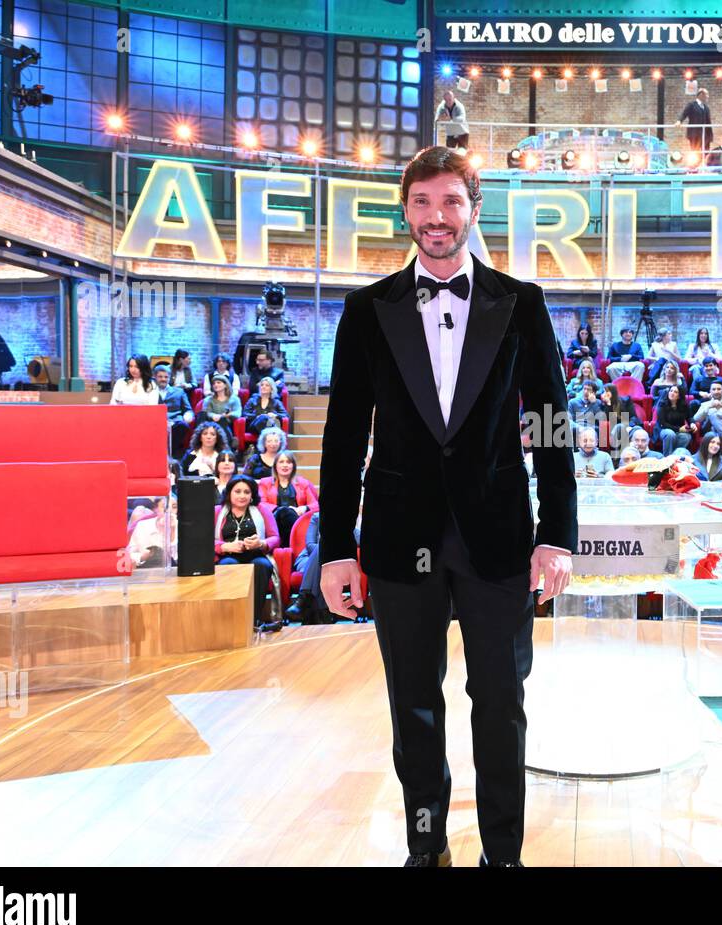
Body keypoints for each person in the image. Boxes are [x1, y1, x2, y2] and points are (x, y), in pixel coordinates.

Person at [318, 146, 575, 869]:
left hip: (498, 537)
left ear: (473, 209)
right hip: (400, 540)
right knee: (414, 711)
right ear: (406, 210)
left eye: (451, 202)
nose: (437, 218)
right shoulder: (367, 309)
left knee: (501, 706)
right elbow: (343, 437)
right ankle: (426, 851)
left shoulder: (521, 302)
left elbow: (551, 422)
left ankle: (504, 857)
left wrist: (556, 534)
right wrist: (337, 546)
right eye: (424, 202)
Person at [215, 475, 281, 628]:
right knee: (228, 565)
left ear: (252, 496)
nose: (242, 496)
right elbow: (204, 540)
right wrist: (224, 546)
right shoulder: (217, 511)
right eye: (237, 491)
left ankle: (253, 620)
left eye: (247, 492)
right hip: (228, 555)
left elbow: (275, 537)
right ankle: (230, 619)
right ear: (229, 493)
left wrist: (261, 543)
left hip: (256, 554)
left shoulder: (261, 510)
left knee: (261, 566)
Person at [257, 449, 318, 546]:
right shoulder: (265, 483)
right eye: (281, 462)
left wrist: (304, 508)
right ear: (275, 465)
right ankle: (296, 543)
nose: (285, 465)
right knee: (284, 512)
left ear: (293, 466)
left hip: (297, 517)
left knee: (288, 514)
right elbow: (261, 503)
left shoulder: (302, 483)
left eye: (288, 462)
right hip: (273, 519)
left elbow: (316, 505)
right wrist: (280, 509)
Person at [153, 363, 194, 458]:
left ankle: (170, 455)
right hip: (156, 422)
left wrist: (188, 416)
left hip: (175, 422)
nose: (163, 379)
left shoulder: (179, 392)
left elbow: (188, 410)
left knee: (182, 426)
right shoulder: (150, 392)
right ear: (154, 377)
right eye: (160, 377)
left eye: (166, 377)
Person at [197, 372, 241, 448]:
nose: (216, 385)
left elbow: (238, 413)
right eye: (214, 384)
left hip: (225, 422)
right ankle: (199, 444)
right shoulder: (209, 399)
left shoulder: (234, 399)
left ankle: (228, 446)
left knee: (222, 420)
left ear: (225, 385)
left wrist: (227, 415)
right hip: (210, 422)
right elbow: (206, 411)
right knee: (201, 414)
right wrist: (213, 415)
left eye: (218, 383)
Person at [691, 381, 722, 451]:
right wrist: (709, 407)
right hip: (707, 429)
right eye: (714, 389)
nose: (716, 391)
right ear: (710, 391)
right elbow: (696, 419)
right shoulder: (705, 404)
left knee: (714, 427)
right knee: (713, 415)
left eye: (719, 389)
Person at [657, 384, 700, 457]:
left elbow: (689, 417)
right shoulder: (662, 404)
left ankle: (676, 456)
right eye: (671, 391)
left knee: (686, 437)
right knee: (670, 434)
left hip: (678, 431)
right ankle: (667, 457)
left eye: (675, 392)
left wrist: (692, 424)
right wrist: (679, 429)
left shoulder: (684, 406)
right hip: (664, 430)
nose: (672, 393)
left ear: (679, 396)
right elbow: (663, 424)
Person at [604, 386, 643, 459]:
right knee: (620, 427)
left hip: (629, 426)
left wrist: (630, 426)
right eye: (603, 392)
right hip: (616, 430)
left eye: (606, 392)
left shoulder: (626, 400)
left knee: (638, 429)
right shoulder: (605, 404)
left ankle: (638, 457)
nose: (604, 394)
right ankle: (619, 458)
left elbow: (633, 416)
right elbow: (607, 420)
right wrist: (609, 405)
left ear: (612, 392)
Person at [676, 87, 713, 153]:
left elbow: (708, 122)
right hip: (694, 134)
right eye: (706, 94)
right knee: (695, 153)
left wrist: (710, 135)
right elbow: (684, 114)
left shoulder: (706, 108)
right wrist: (679, 121)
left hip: (705, 135)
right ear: (701, 95)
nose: (708, 96)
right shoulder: (692, 105)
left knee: (706, 153)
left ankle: (704, 162)